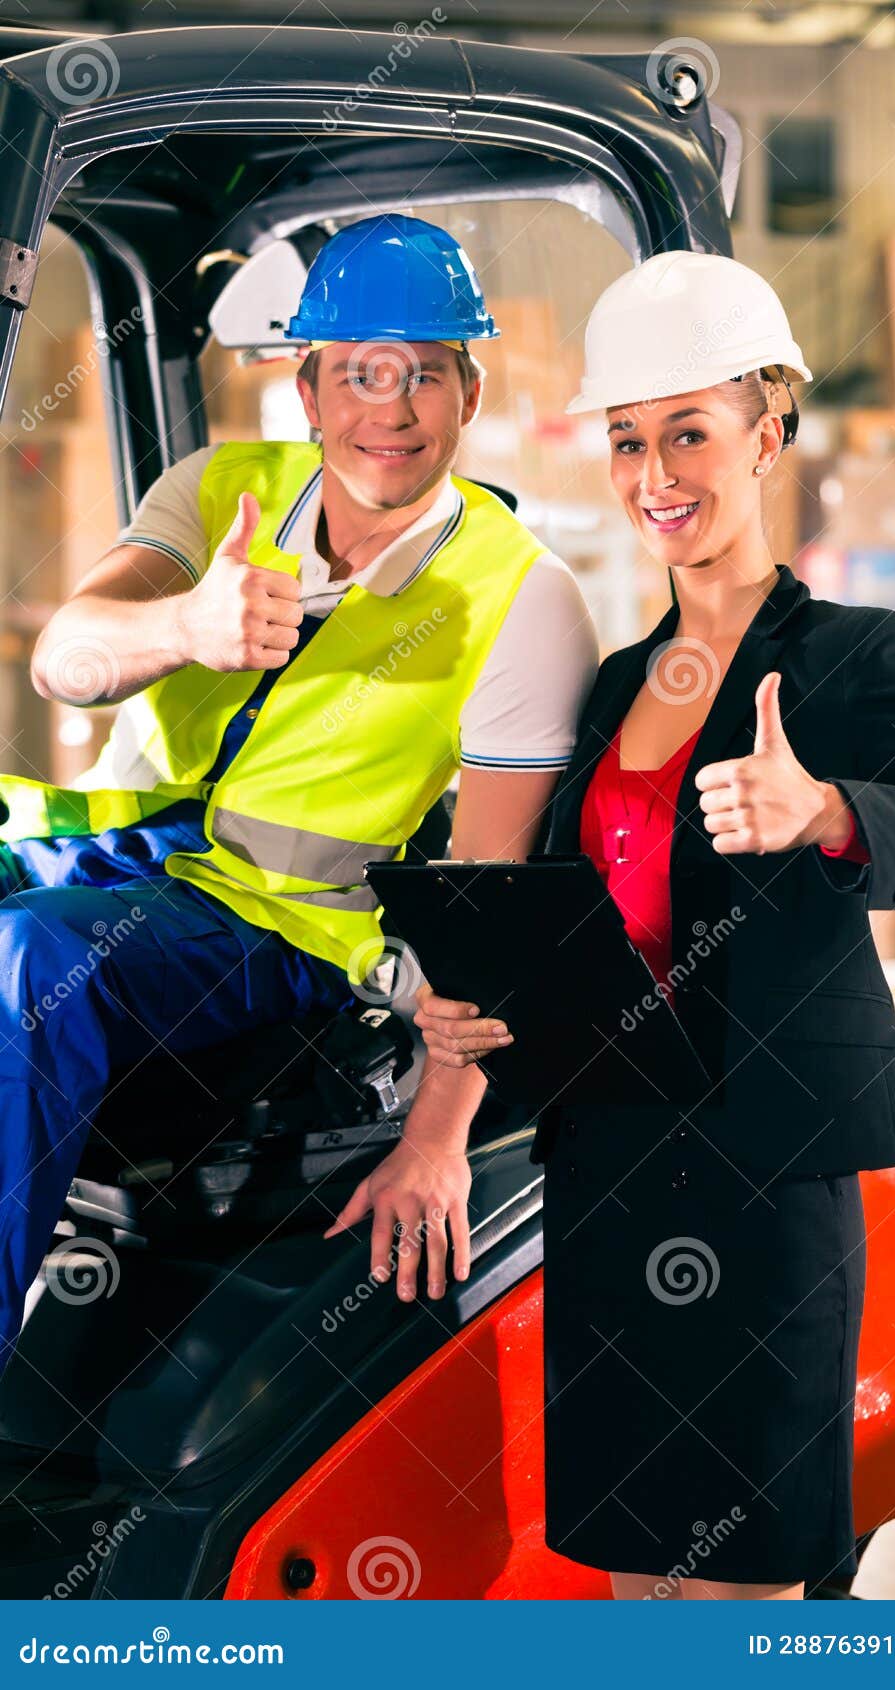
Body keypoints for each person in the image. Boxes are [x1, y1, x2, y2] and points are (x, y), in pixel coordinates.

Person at [408, 251, 895, 1600]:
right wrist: (470, 997)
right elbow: (574, 918)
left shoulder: (842, 656)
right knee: (630, 1572)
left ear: (765, 433)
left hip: (766, 1187)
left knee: (748, 1585)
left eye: (689, 431)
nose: (657, 471)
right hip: (608, 1174)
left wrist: (826, 808)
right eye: (629, 438)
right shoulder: (606, 684)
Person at [0, 213, 598, 1377]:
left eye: (426, 373)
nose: (394, 407)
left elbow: (491, 905)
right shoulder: (219, 489)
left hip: (275, 932)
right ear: (308, 387)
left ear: (468, 394)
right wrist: (185, 625)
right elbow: (61, 659)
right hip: (128, 865)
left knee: (23, 961)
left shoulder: (521, 601)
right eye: (360, 372)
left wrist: (437, 1136)